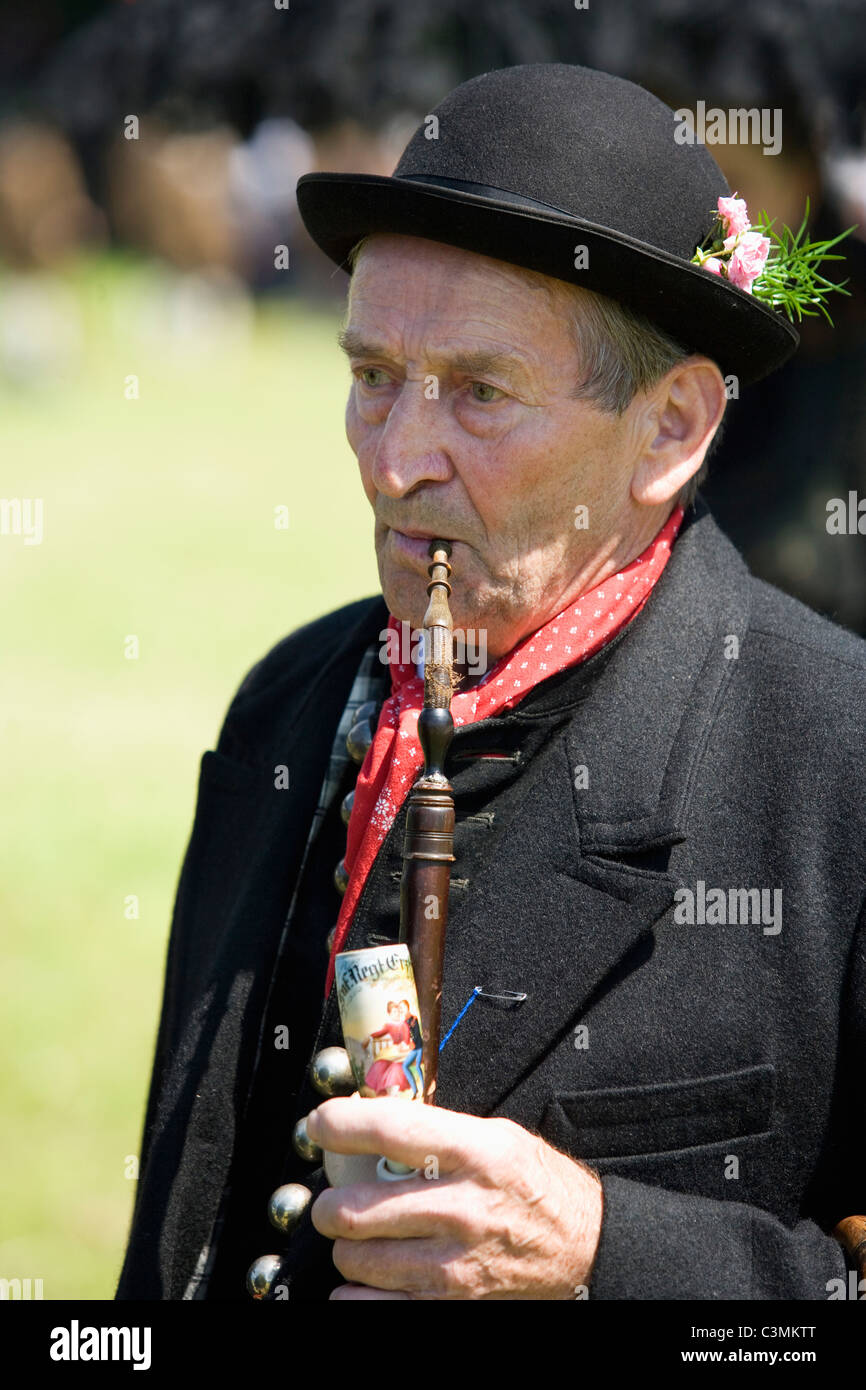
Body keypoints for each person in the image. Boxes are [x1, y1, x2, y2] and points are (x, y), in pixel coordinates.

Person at [116, 63, 866, 1302]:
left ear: (671, 427)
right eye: (371, 376)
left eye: (478, 391)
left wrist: (601, 1252)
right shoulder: (287, 703)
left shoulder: (835, 758)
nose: (397, 459)